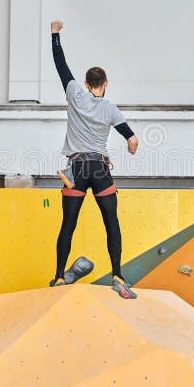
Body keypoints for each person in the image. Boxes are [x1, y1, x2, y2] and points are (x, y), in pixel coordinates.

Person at [49, 20, 138, 299]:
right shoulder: (111, 109)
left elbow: (60, 65)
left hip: (76, 169)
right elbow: (132, 139)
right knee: (111, 222)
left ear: (86, 84)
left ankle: (60, 277)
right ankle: (117, 276)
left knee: (68, 225)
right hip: (100, 169)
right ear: (105, 84)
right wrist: (131, 146)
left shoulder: (75, 94)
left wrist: (55, 34)